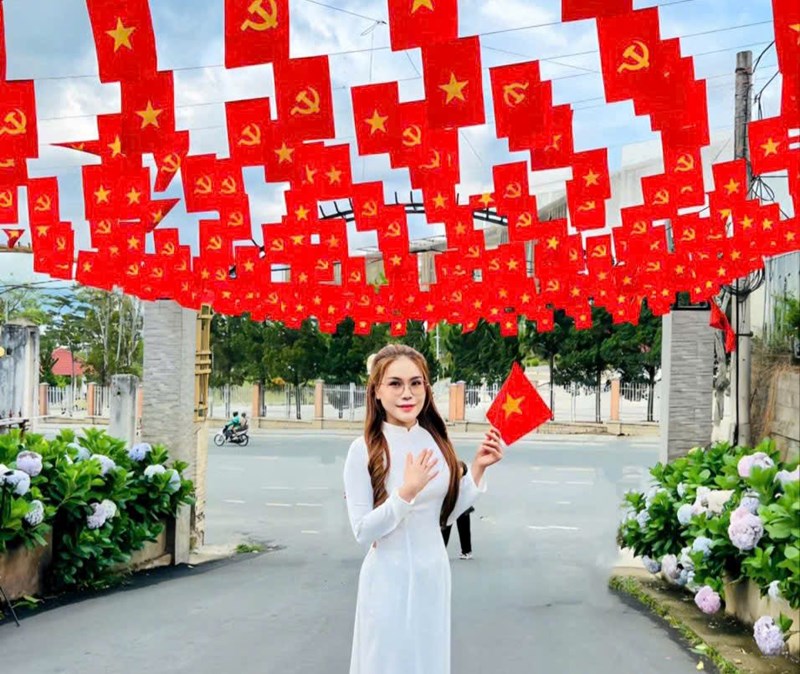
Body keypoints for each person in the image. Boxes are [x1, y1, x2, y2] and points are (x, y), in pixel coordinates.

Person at [343, 344, 504, 674]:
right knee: (387, 661)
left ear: (427, 389)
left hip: (433, 573)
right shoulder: (363, 450)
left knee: (427, 660)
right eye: (395, 383)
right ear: (376, 391)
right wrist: (406, 493)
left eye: (416, 383)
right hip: (387, 577)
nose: (407, 393)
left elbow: (443, 516)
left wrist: (477, 470)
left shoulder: (435, 441)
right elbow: (363, 531)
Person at [441, 461, 474, 560]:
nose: (458, 475)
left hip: (462, 507)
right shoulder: (447, 480)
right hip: (449, 506)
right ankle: (441, 552)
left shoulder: (465, 481)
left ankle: (467, 551)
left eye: (461, 472)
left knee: (464, 529)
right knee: (445, 529)